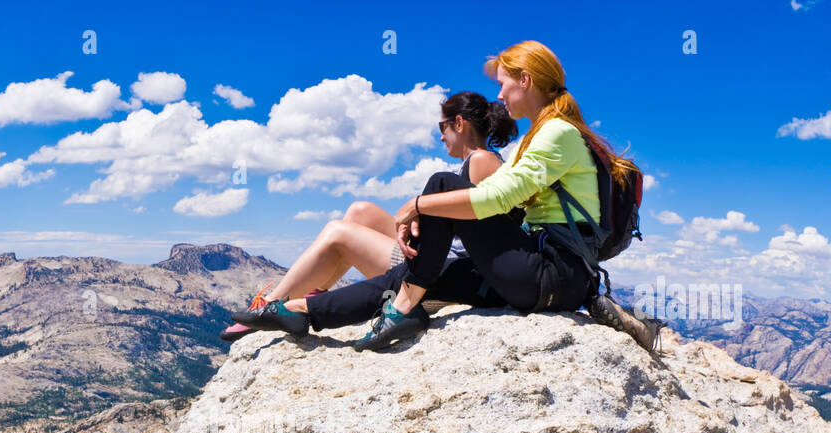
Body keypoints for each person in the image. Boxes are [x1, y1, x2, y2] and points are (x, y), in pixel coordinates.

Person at [239, 40, 664, 352]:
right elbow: (510, 205)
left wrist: (420, 206)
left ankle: (402, 311)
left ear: (525, 80)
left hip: (552, 274)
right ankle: (302, 313)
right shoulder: (545, 133)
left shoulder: (558, 133)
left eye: (503, 84)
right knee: (407, 278)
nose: (499, 95)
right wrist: (430, 220)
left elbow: (499, 199)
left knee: (442, 184)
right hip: (543, 276)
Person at [223, 91, 520, 342]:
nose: (441, 137)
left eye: (442, 127)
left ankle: (274, 305)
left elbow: (481, 233)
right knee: (359, 212)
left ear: (459, 123)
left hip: (445, 267)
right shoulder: (475, 162)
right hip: (442, 254)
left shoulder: (481, 161)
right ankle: (312, 295)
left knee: (339, 233)